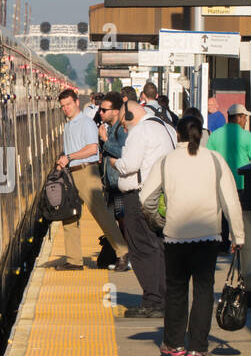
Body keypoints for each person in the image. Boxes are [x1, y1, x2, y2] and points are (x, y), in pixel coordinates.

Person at [140, 113, 244, 356]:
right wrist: (237, 235)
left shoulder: (166, 161)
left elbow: (145, 199)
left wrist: (158, 221)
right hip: (208, 237)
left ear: (178, 134)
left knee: (176, 291)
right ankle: (198, 347)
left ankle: (174, 344)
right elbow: (231, 201)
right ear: (202, 133)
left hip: (175, 237)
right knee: (204, 290)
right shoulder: (215, 159)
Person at [105, 99, 177, 315]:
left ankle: (152, 301)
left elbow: (130, 164)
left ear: (128, 116)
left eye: (124, 125)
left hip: (138, 196)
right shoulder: (166, 128)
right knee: (158, 246)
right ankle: (163, 297)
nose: (125, 128)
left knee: (141, 249)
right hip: (160, 195)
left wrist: (115, 163)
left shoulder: (140, 130)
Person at [55, 88, 130, 270]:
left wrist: (70, 157)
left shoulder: (86, 124)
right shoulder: (69, 125)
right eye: (63, 106)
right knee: (69, 216)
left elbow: (92, 149)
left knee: (101, 214)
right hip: (71, 173)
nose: (66, 108)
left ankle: (122, 252)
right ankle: (74, 260)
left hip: (86, 172)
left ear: (77, 103)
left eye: (69, 104)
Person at [98, 91, 131, 270]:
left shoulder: (122, 129)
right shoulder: (113, 128)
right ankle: (120, 255)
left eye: (104, 110)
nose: (101, 113)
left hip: (119, 183)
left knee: (122, 219)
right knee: (115, 219)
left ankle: (124, 257)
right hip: (112, 183)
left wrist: (105, 141)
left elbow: (124, 153)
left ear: (116, 111)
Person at [207, 103, 251, 190]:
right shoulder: (248, 136)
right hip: (242, 185)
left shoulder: (214, 135)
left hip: (221, 184)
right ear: (238, 118)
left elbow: (209, 160)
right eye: (244, 117)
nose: (246, 121)